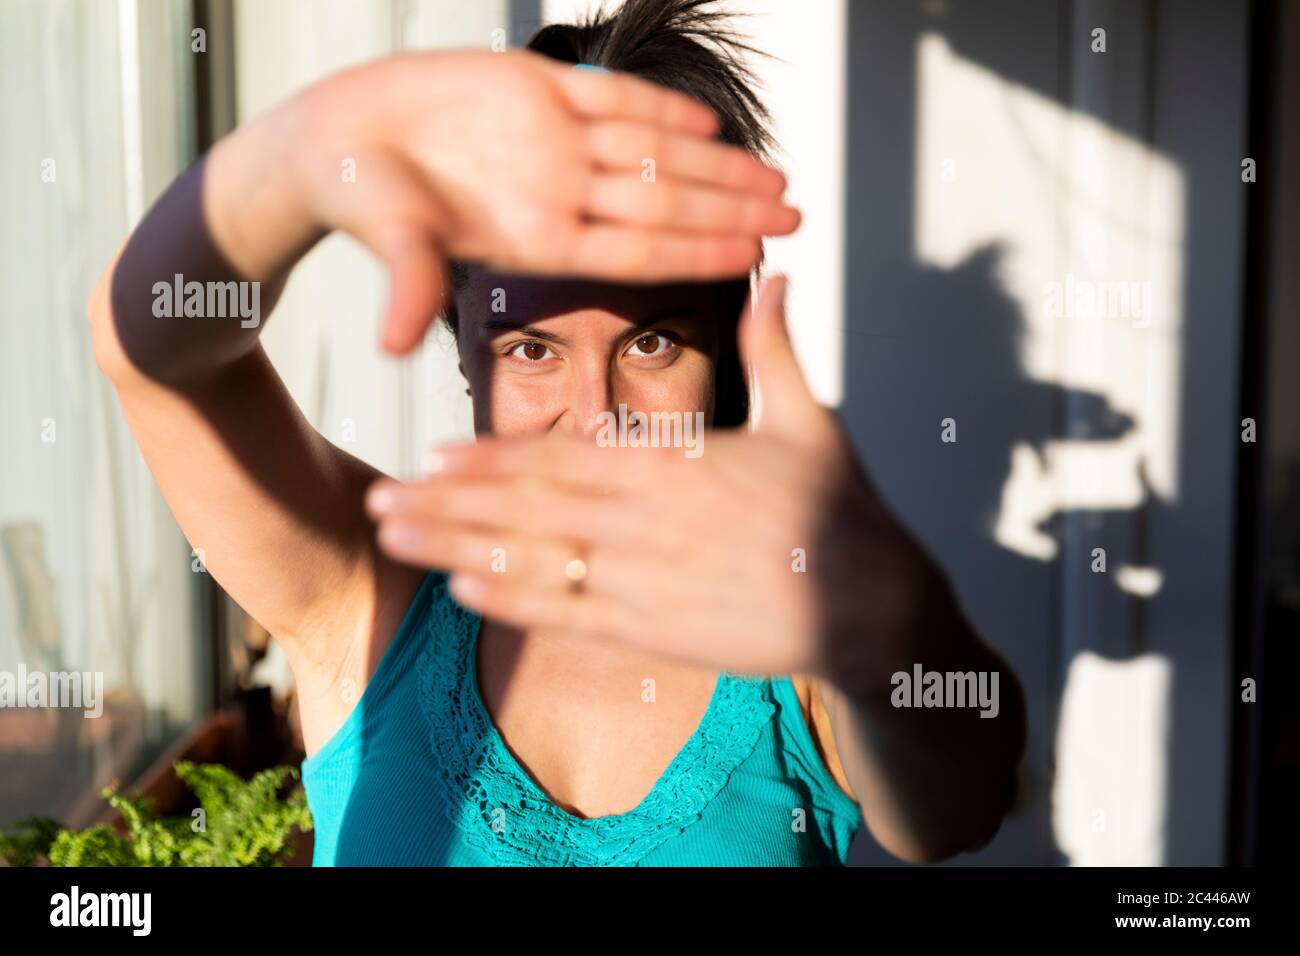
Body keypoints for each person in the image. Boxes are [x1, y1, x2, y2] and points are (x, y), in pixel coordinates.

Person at [88, 0, 1026, 866]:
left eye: (652, 342)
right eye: (533, 350)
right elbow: (152, 347)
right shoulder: (364, 602)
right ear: (468, 361)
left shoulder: (800, 646)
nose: (597, 417)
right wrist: (305, 153)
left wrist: (890, 620)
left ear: (730, 355)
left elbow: (957, 808)